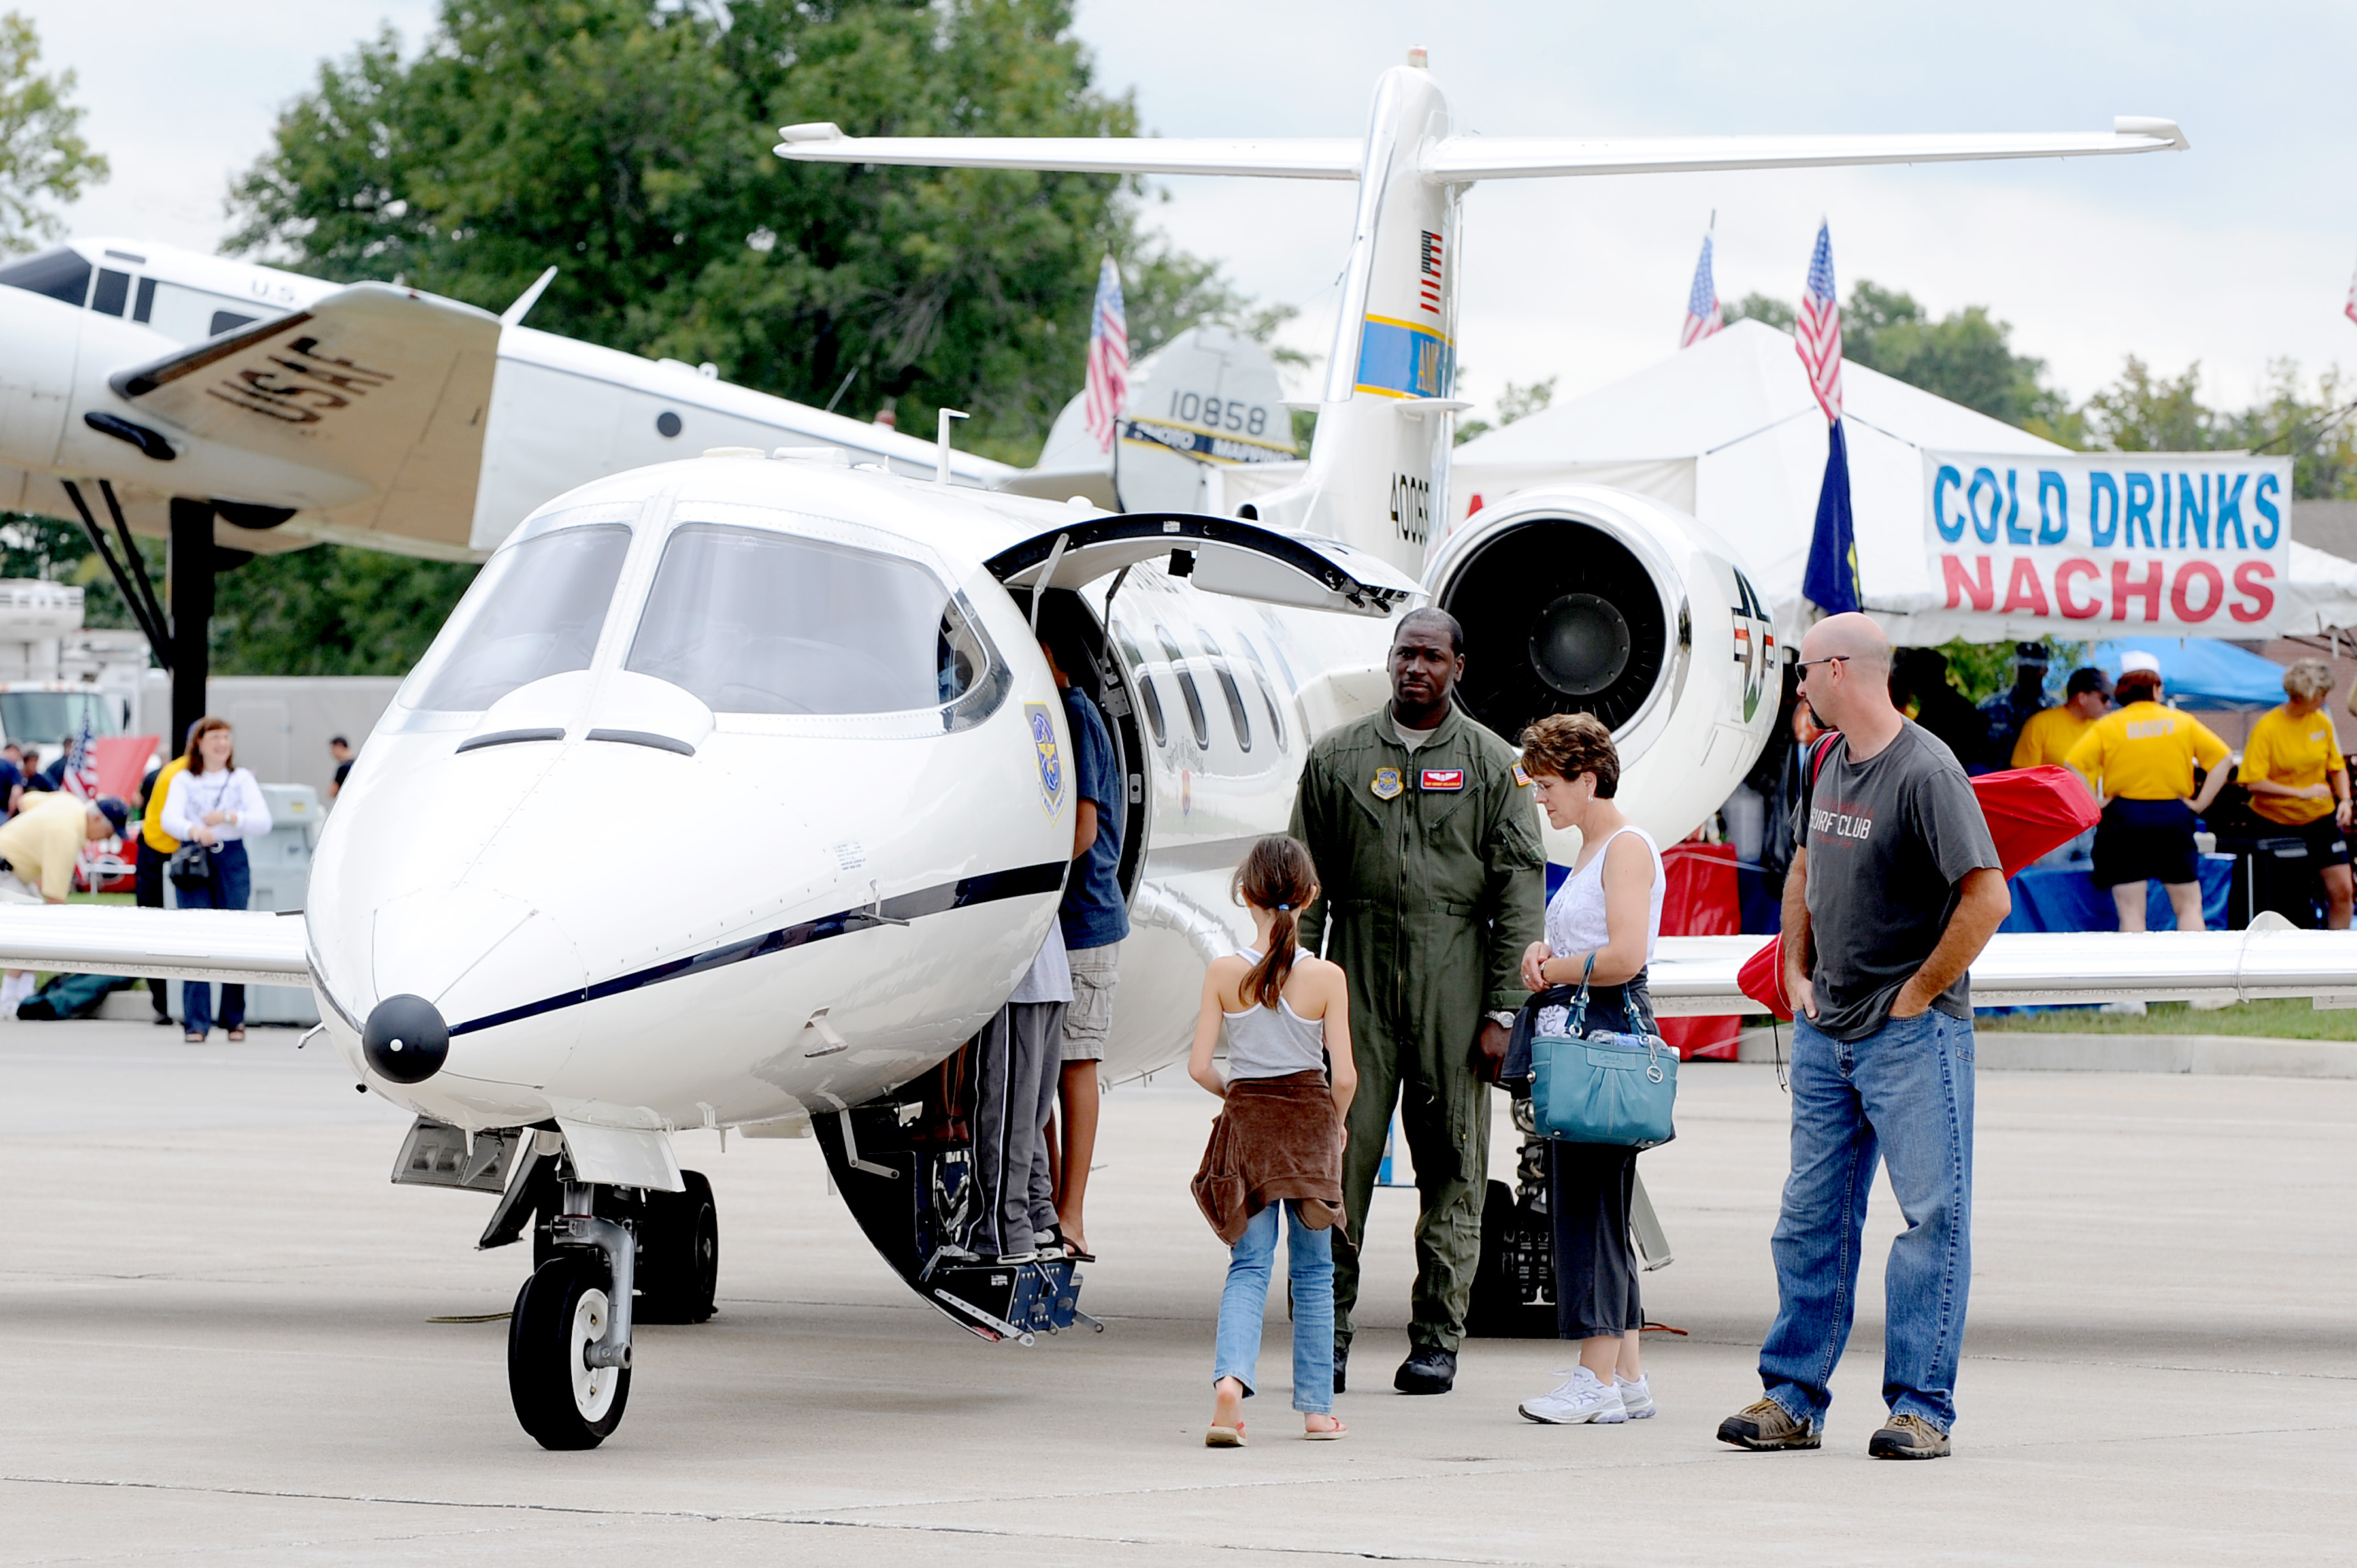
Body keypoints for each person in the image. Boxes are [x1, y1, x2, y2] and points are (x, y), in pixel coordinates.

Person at [1718, 612, 2008, 1462]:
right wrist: (1792, 973)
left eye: (1801, 669)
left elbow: (1984, 896)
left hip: (1908, 1037)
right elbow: (1805, 865)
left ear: (1838, 669)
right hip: (1825, 1033)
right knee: (1808, 1219)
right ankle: (1790, 1399)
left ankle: (1920, 1409)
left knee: (1929, 1220)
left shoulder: (1925, 771)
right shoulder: (1824, 759)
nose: (1795, 685)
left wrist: (1918, 993)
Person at [1289, 606, 1545, 1397]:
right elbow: (1302, 890)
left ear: (1457, 667)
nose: (1416, 669)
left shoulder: (1494, 766)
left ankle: (1436, 1340)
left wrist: (1504, 1011)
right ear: (1390, 660)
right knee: (1334, 1169)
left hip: (1456, 990)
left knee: (1456, 1173)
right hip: (1355, 989)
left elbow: (1519, 895)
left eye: (1433, 656)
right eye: (1405, 654)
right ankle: (1324, 1340)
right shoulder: (1336, 759)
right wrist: (1295, 992)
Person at [1508, 713, 1666, 1427]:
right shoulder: (1595, 847)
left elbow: (1626, 955)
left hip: (1599, 1037)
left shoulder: (1623, 848)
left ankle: (1593, 1375)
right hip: (1590, 1033)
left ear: (1587, 776)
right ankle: (1625, 1376)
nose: (1540, 798)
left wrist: (1553, 970)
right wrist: (1547, 952)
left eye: (1547, 784)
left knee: (1588, 1205)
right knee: (1601, 1203)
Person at [1189, 836, 1353, 1445]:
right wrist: (1332, 1122)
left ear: (1244, 895)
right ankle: (1316, 1410)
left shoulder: (1223, 972)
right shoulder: (1327, 977)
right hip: (1310, 1132)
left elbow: (1200, 1066)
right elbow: (1346, 1075)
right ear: (1310, 896)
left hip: (1249, 1132)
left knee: (1249, 1265)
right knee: (1313, 1273)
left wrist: (1240, 1097)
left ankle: (1229, 1385)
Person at [1046, 639, 1127, 1262]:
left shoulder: (1073, 714)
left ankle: (1071, 1213)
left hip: (1082, 920)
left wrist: (1024, 881)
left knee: (1074, 1062)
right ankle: (1046, 1201)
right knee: (1036, 1070)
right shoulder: (1051, 710)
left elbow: (1083, 829)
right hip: (1049, 921)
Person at [2064, 665, 2230, 934]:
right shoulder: (2181, 721)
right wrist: (2199, 804)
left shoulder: (2109, 725)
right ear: (2154, 690)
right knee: (2188, 906)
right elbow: (2222, 759)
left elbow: (2073, 764)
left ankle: (2134, 973)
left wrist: (2095, 802)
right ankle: (2196, 971)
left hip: (2124, 818)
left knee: (2131, 914)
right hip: (2172, 816)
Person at [963, 919, 1070, 1264]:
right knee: (1027, 1119)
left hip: (1017, 979)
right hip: (1049, 973)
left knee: (1003, 1113)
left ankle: (1000, 1233)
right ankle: (1040, 1222)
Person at [159, 717, 272, 1043]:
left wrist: (229, 817)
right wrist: (193, 830)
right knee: (196, 937)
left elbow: (263, 821)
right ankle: (196, 1021)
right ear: (199, 743)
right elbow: (170, 818)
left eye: (226, 737)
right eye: (215, 737)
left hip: (232, 859)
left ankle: (234, 1018)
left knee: (234, 935)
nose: (222, 743)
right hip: (195, 858)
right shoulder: (184, 779)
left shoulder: (241, 779)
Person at [2236, 657, 2352, 930]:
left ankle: (2338, 954)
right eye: (2321, 695)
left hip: (2320, 819)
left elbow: (2336, 767)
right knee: (2290, 898)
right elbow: (2252, 781)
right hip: (2276, 822)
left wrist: (2345, 799)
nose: (2324, 700)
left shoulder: (2320, 722)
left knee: (2343, 890)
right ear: (2305, 696)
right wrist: (2299, 793)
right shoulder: (2269, 728)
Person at [0, 791, 129, 1013]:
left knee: (34, 925)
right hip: (6, 872)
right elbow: (55, 901)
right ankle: (9, 998)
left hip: (14, 868)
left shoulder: (68, 802)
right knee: (29, 930)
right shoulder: (67, 834)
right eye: (108, 833)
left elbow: (25, 801)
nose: (105, 840)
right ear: (97, 819)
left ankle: (23, 993)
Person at [135, 750, 190, 1025]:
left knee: (153, 927)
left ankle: (165, 1004)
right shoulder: (181, 776)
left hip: (153, 854)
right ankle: (172, 1003)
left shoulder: (160, 775)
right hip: (167, 855)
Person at [2011, 668, 2113, 770]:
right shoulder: (2040, 725)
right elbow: (2022, 777)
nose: (2109, 705)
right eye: (2104, 699)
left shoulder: (2101, 728)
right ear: (2082, 698)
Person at [328, 736, 354, 800]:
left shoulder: (343, 769)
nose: (332, 753)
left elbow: (332, 792)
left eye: (333, 749)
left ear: (339, 747)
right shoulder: (358, 764)